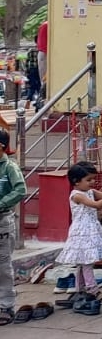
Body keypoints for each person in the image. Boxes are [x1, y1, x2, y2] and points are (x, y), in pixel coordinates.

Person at [55, 162, 102, 314]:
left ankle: (79, 290)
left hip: (90, 230)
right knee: (87, 263)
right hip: (82, 232)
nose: (92, 182)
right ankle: (93, 290)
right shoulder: (77, 195)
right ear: (76, 181)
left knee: (83, 264)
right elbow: (96, 205)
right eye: (88, 180)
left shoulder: (89, 191)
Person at [0, 128, 25, 326]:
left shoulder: (10, 168)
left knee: (3, 266)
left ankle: (6, 306)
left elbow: (20, 190)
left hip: (2, 221)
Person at [36, 20, 48, 99]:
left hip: (43, 52)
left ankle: (43, 97)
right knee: (45, 80)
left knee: (43, 79)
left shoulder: (44, 25)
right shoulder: (48, 25)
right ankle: (43, 96)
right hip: (45, 53)